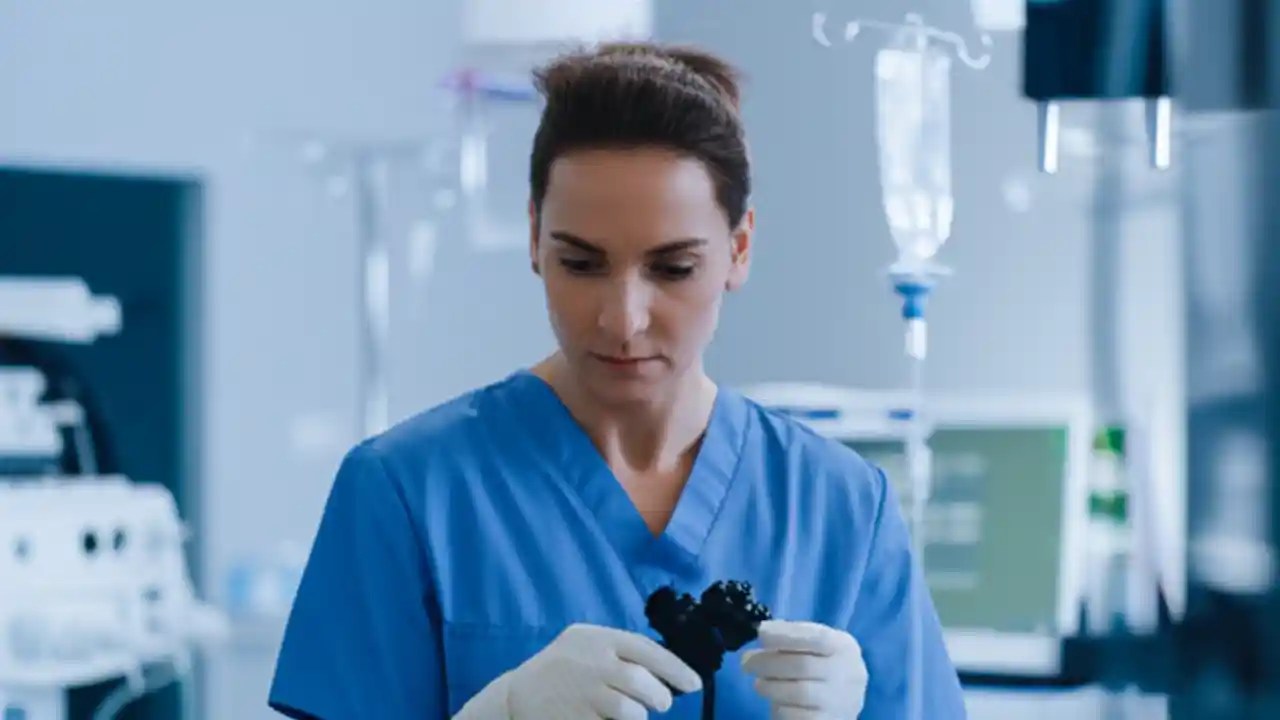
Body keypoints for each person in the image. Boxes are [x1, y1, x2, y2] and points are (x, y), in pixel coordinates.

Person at [268, 42, 965, 720]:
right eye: (582, 264)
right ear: (535, 237)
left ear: (739, 250)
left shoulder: (839, 508)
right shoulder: (407, 492)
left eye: (672, 268)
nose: (623, 320)